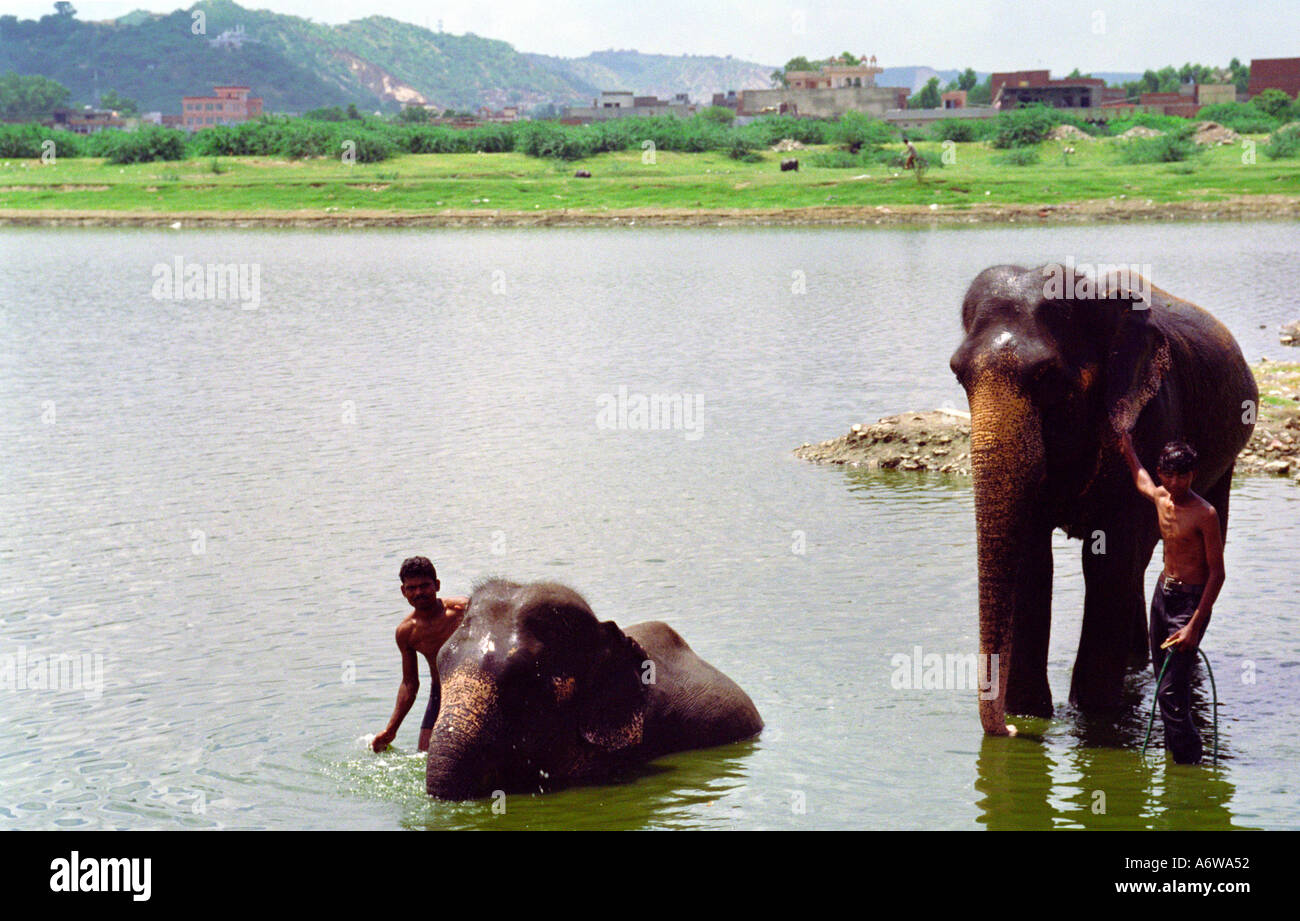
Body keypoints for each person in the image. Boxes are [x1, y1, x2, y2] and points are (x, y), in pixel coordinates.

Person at [1119, 434, 1225, 764]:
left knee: (1169, 691)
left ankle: (1191, 763)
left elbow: (1218, 574)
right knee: (1165, 683)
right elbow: (1142, 481)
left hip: (1188, 605)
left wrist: (1194, 625)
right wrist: (1128, 450)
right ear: (1162, 473)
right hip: (1162, 597)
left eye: (1182, 475)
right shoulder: (1162, 497)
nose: (1175, 482)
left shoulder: (1205, 514)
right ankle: (1173, 756)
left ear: (1193, 474)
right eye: (1169, 474)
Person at [371, 557, 468, 753]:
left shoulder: (462, 611)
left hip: (473, 687)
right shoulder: (407, 632)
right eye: (412, 588)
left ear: (437, 585)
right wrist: (391, 730)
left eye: (425, 586)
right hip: (440, 692)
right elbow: (409, 683)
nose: (419, 593)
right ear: (403, 591)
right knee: (425, 755)